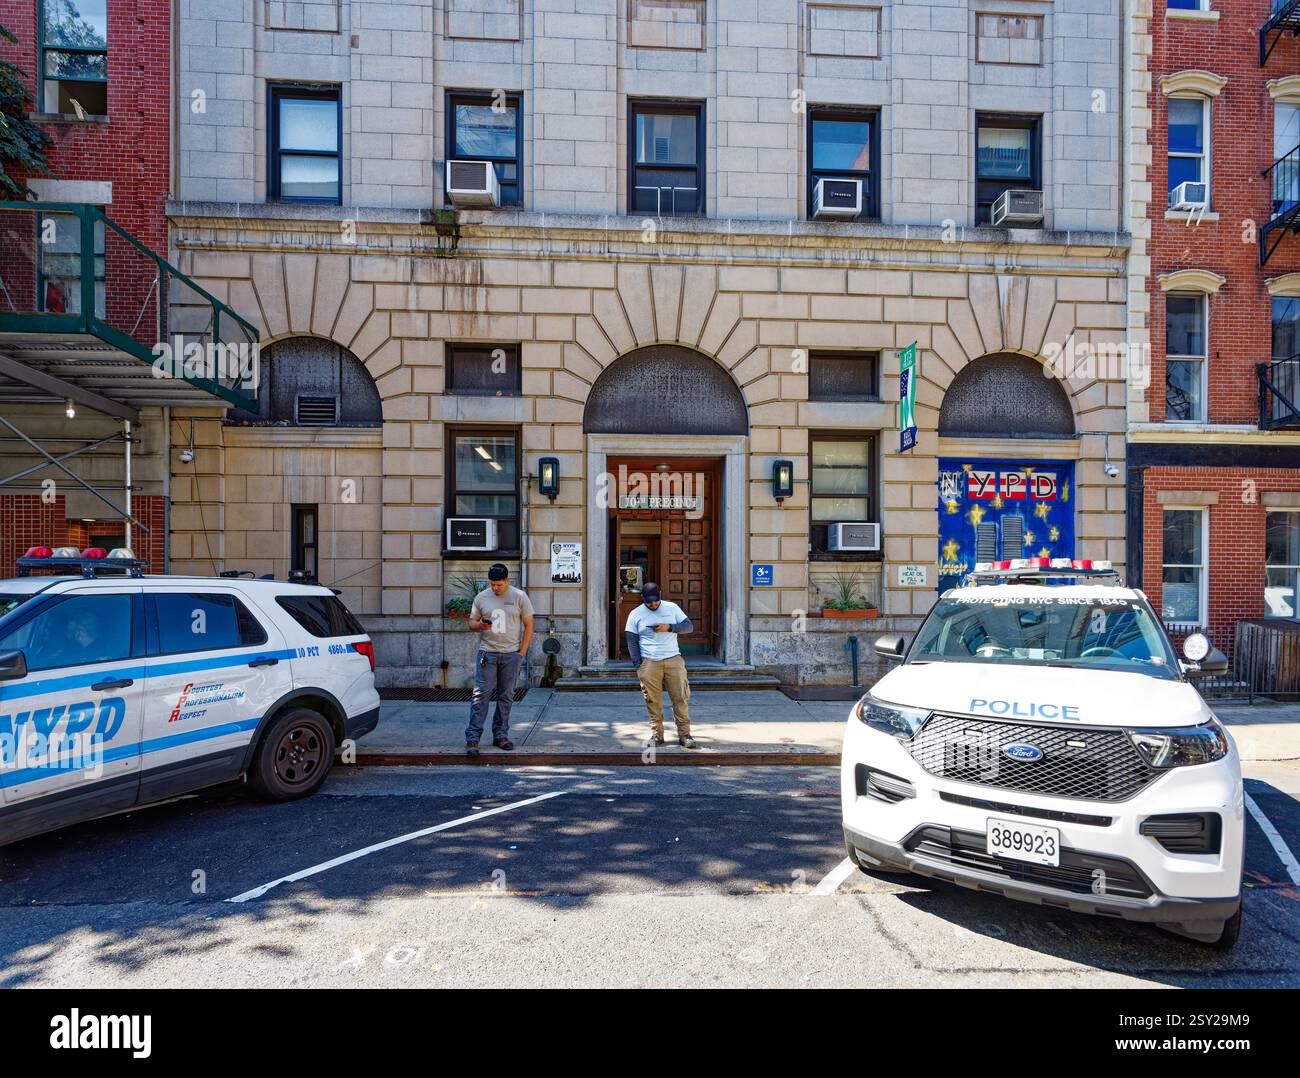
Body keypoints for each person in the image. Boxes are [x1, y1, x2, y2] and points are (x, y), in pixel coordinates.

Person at [465, 563, 534, 756]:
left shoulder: (519, 597)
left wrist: (521, 653)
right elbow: (471, 622)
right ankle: (473, 738)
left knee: (506, 696)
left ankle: (501, 735)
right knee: (481, 695)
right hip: (488, 653)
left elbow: (529, 625)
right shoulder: (481, 597)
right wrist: (479, 625)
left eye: (499, 585)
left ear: (507, 581)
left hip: (511, 654)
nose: (495, 588)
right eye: (492, 584)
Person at [624, 582, 697, 749]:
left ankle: (685, 735)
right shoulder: (635, 614)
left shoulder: (672, 608)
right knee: (652, 700)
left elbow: (689, 627)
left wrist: (669, 627)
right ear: (643, 599)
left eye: (656, 601)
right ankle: (657, 735)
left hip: (673, 659)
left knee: (680, 698)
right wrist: (638, 664)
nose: (653, 604)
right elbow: (631, 639)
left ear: (660, 595)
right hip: (649, 662)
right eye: (649, 601)